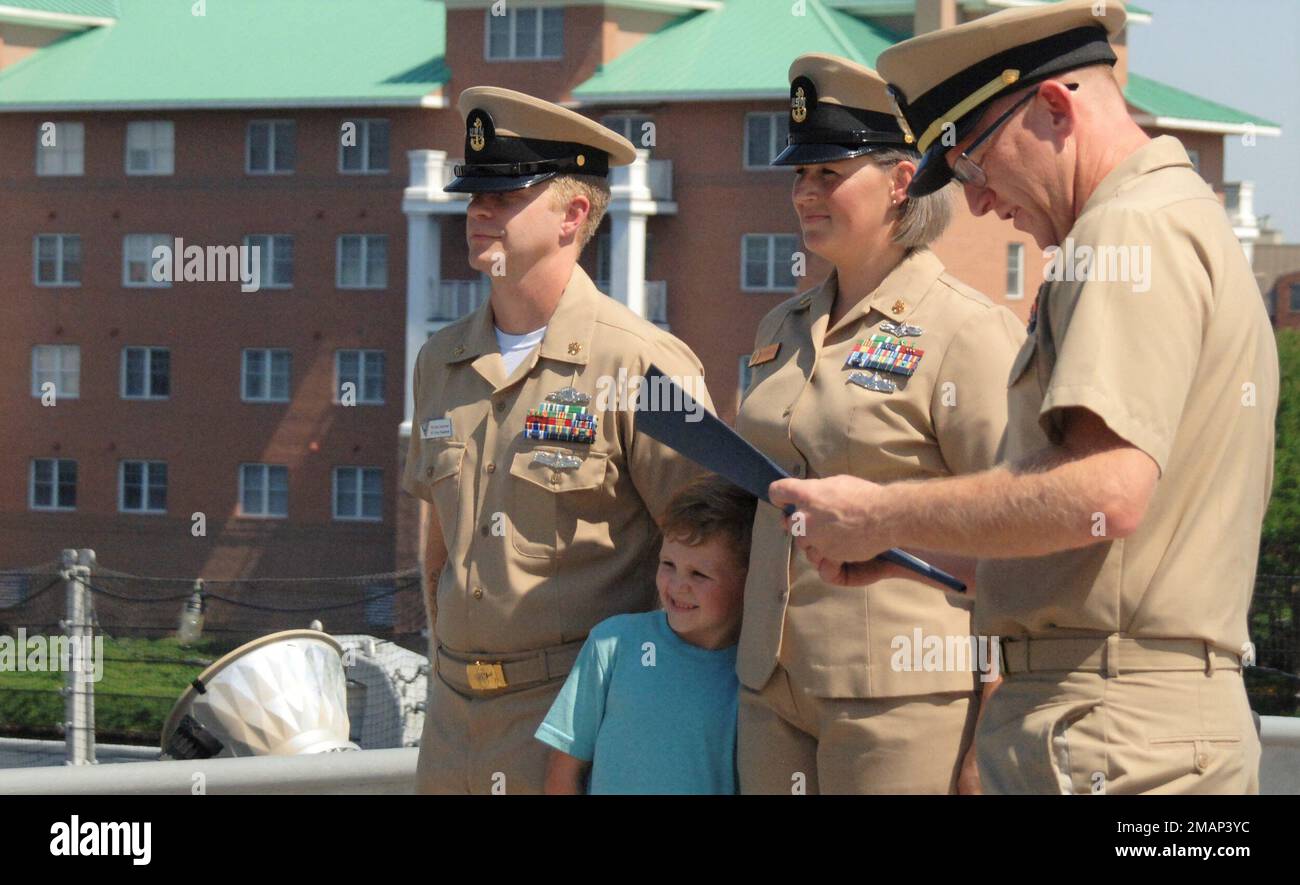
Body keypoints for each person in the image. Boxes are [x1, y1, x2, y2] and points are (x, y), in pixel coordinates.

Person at [778, 0, 1277, 793]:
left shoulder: (1123, 233)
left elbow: (1107, 493)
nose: (975, 202)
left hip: (1110, 732)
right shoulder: (1177, 216)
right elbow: (1094, 551)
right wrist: (912, 554)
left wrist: (879, 513)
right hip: (1141, 723)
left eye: (973, 161)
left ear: (1052, 107)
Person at [400, 86, 715, 794]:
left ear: (574, 214)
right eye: (474, 192)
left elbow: (713, 556)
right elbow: (438, 548)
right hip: (452, 718)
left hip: (580, 722)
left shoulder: (644, 364)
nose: (479, 209)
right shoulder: (441, 359)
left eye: (505, 196)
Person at [734, 53, 1026, 794]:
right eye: (800, 176)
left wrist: (990, 727)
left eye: (829, 174)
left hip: (904, 695)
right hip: (771, 684)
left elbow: (1015, 539)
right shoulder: (782, 323)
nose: (806, 192)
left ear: (902, 180)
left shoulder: (968, 331)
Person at [535, 476, 755, 794]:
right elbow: (563, 772)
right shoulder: (612, 644)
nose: (677, 585)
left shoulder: (752, 674)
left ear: (748, 581)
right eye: (668, 564)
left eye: (699, 574)